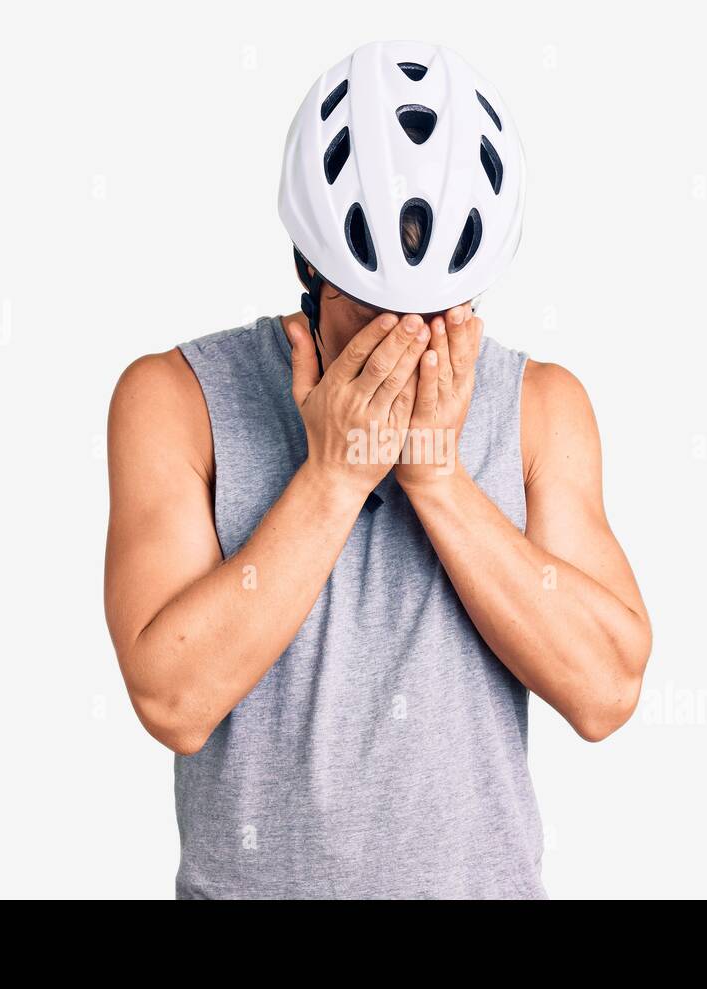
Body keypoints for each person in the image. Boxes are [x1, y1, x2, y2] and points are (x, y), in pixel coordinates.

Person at [104, 41, 651, 899]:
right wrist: (333, 478)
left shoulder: (542, 405)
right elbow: (173, 699)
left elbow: (607, 690)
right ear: (309, 266)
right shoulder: (177, 398)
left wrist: (438, 480)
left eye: (435, 314)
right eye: (375, 314)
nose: (408, 343)